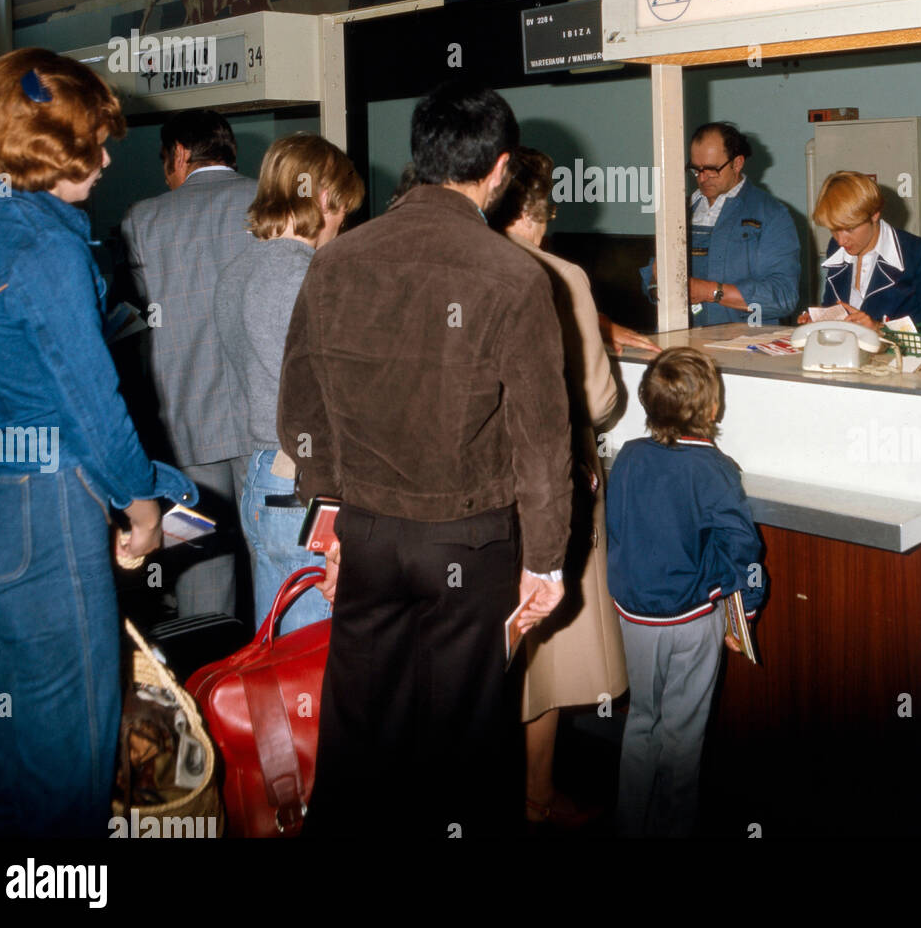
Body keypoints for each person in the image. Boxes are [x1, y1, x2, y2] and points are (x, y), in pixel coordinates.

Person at [278, 82, 573, 837]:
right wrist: (544, 562)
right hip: (469, 544)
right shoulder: (515, 277)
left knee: (359, 738)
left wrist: (334, 518)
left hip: (370, 534)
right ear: (500, 168)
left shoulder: (338, 261)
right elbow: (542, 439)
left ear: (420, 154)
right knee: (466, 746)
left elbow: (301, 413)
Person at [0, 48, 197, 836]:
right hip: (47, 516)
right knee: (70, 774)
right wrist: (142, 508)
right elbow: (92, 409)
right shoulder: (44, 243)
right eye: (93, 140)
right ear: (48, 147)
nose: (105, 156)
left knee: (4, 757)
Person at [491, 147, 656, 827]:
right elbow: (596, 400)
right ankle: (536, 799)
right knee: (545, 656)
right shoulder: (562, 276)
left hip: (464, 502)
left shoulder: (450, 264)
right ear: (538, 209)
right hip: (546, 489)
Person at [606, 346, 765, 837]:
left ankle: (630, 824)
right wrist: (748, 613)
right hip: (693, 621)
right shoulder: (715, 470)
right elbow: (744, 550)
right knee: (682, 734)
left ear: (647, 403)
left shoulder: (628, 456)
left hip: (634, 618)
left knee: (641, 723)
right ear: (711, 409)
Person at [214, 134, 365, 636]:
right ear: (323, 197)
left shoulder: (238, 268)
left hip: (262, 475)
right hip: (305, 482)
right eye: (342, 207)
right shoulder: (305, 276)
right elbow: (327, 399)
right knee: (314, 658)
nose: (342, 221)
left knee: (279, 657)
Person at [120, 108, 256, 619]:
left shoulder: (142, 220)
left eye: (164, 160)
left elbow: (130, 324)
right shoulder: (268, 202)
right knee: (279, 560)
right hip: (262, 424)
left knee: (200, 563)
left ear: (179, 154)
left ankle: (201, 681)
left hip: (185, 428)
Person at [641, 121, 801, 325]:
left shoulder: (772, 215)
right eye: (696, 170)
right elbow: (651, 278)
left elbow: (783, 297)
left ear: (737, 163)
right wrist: (657, 286)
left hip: (745, 345)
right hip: (683, 336)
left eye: (711, 169)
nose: (702, 178)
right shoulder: (679, 212)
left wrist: (710, 292)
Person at [812, 170, 921, 329]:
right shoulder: (837, 247)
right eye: (833, 229)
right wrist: (819, 321)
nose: (840, 240)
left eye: (850, 229)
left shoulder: (920, 254)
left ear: (874, 215)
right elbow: (833, 307)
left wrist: (880, 330)